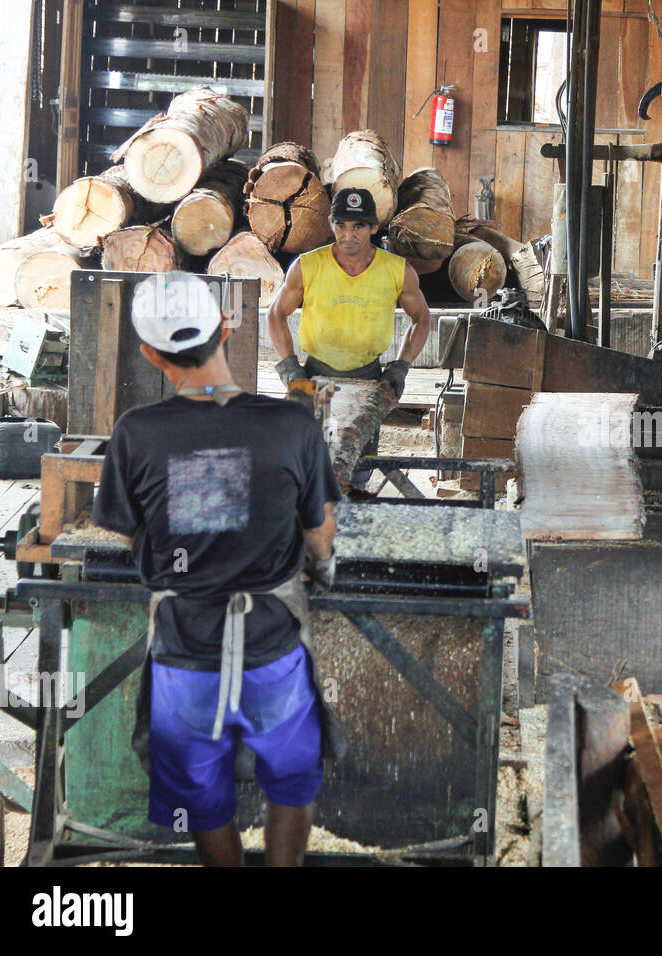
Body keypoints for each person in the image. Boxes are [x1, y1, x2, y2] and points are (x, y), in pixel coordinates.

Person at [92, 271, 345, 866]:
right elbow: (321, 538)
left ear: (150, 352)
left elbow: (128, 529)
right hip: (272, 647)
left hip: (185, 653)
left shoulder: (135, 433)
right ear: (227, 326)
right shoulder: (294, 426)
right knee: (292, 774)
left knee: (200, 797)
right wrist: (317, 565)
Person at [267, 186, 433, 485]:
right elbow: (275, 313)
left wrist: (401, 366)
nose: (348, 234)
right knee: (302, 466)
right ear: (331, 225)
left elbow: (421, 319)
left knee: (356, 468)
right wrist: (289, 367)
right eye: (340, 225)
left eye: (358, 226)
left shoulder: (397, 270)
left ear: (373, 227)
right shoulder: (308, 265)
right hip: (311, 374)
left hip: (369, 377)